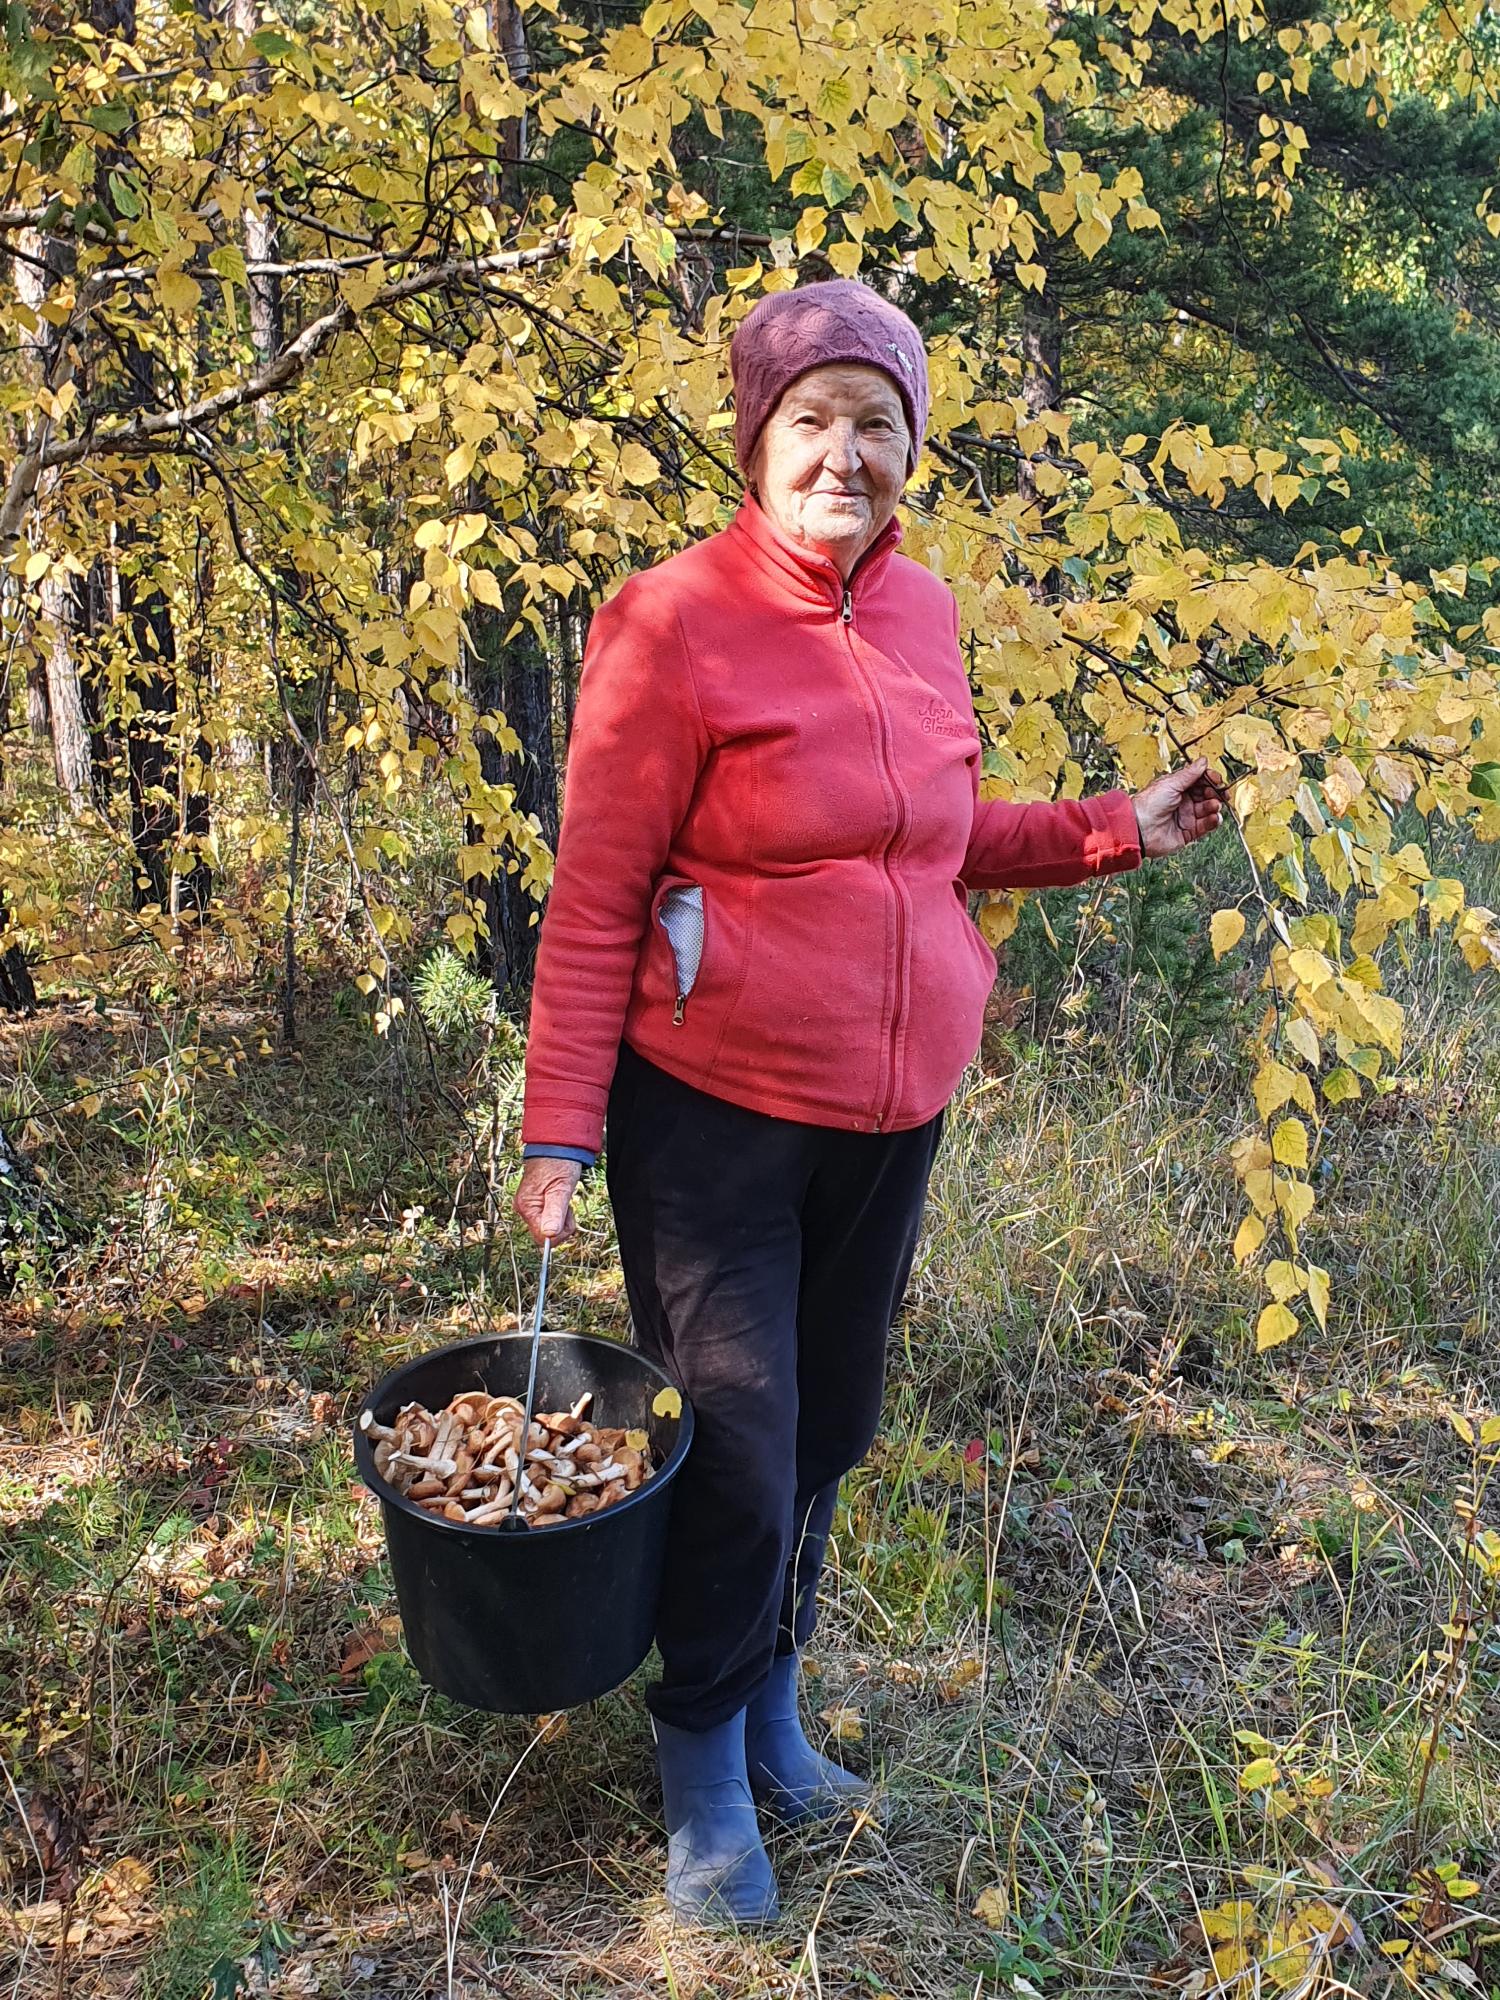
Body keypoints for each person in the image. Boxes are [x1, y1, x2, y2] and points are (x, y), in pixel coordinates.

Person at [513, 279, 1222, 1925]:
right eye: (814, 420)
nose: (847, 453)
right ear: (758, 440)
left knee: (831, 1425)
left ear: (913, 449)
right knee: (742, 1438)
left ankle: (773, 1704)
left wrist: (1118, 823)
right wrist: (560, 1127)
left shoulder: (924, 614)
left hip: (893, 1110)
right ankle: (700, 1762)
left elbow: (943, 837)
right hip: (713, 1117)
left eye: (878, 424)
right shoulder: (670, 621)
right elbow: (597, 896)